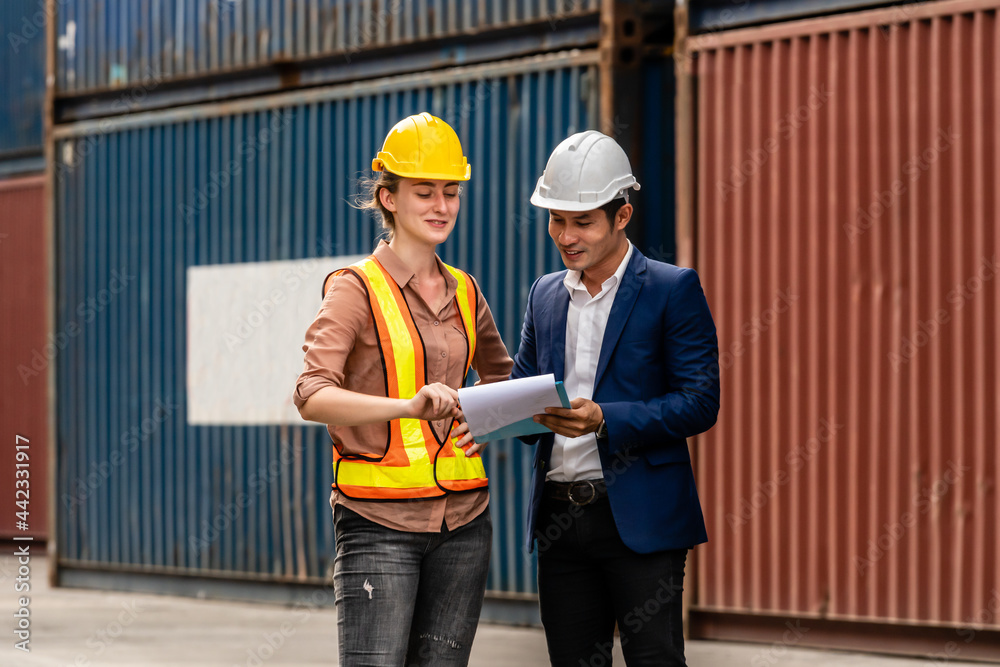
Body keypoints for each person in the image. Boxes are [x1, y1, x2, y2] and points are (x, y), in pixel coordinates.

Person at [294, 112, 513, 667]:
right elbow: (311, 394)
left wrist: (484, 422)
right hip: (378, 524)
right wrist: (407, 407)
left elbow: (501, 380)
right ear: (388, 198)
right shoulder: (355, 288)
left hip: (465, 522)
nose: (442, 206)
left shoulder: (466, 290)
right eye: (424, 192)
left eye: (451, 192)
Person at [511, 130, 720, 666]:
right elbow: (525, 391)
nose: (566, 236)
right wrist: (492, 410)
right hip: (560, 521)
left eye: (582, 222)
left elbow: (700, 402)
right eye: (557, 220)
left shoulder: (672, 290)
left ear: (622, 215)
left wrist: (605, 418)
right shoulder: (544, 294)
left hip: (641, 522)